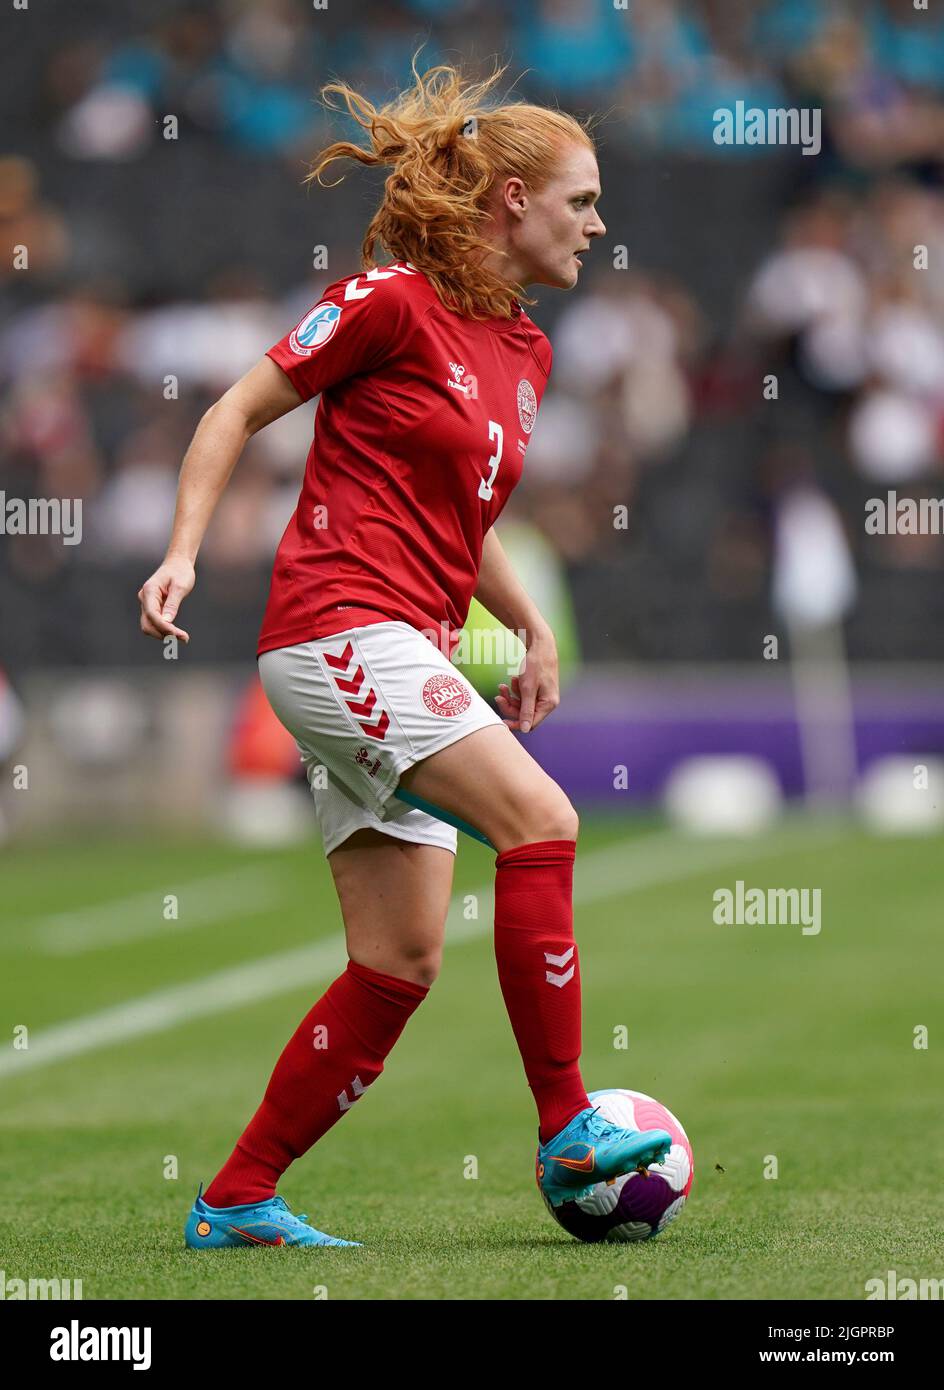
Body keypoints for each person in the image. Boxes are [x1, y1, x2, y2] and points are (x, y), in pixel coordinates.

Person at [137, 58, 671, 1250]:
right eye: (581, 201)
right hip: (337, 629)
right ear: (511, 200)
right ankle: (567, 1125)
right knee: (542, 821)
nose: (598, 223)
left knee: (397, 962)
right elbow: (231, 411)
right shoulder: (384, 300)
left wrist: (528, 623)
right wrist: (179, 553)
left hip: (397, 640)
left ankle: (233, 1199)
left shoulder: (523, 353)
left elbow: (460, 519)